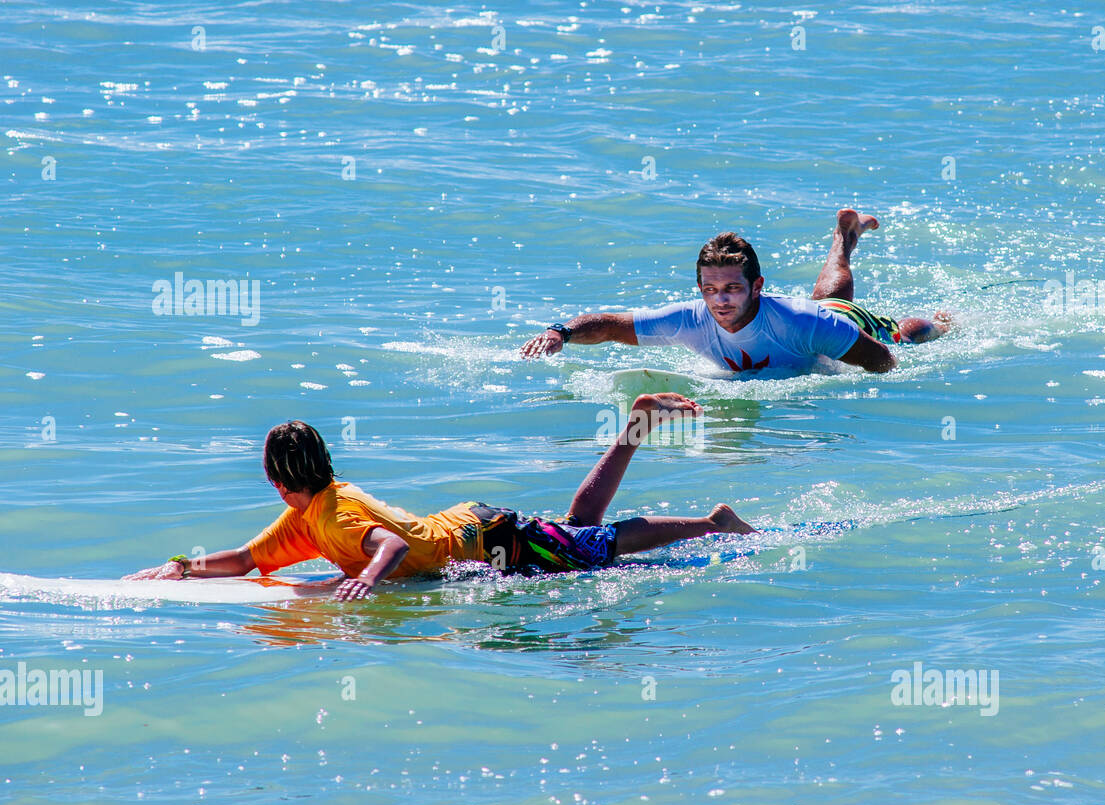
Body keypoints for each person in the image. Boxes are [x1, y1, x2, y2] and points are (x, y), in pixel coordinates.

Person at [124, 394, 755, 601]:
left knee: (601, 546)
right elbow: (240, 560)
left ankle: (711, 522)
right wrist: (182, 567)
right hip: (470, 528)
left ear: (276, 481)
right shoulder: (307, 515)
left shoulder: (333, 520)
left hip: (486, 539)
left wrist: (366, 580)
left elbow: (389, 543)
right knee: (577, 530)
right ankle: (636, 426)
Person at [520, 208, 951, 375]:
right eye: (711, 290)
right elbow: (611, 326)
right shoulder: (689, 317)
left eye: (731, 288)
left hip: (843, 328)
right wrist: (562, 332)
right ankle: (844, 237)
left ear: (757, 287)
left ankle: (944, 321)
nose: (720, 300)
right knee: (829, 298)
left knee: (901, 333)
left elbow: (883, 361)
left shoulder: (801, 321)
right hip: (817, 318)